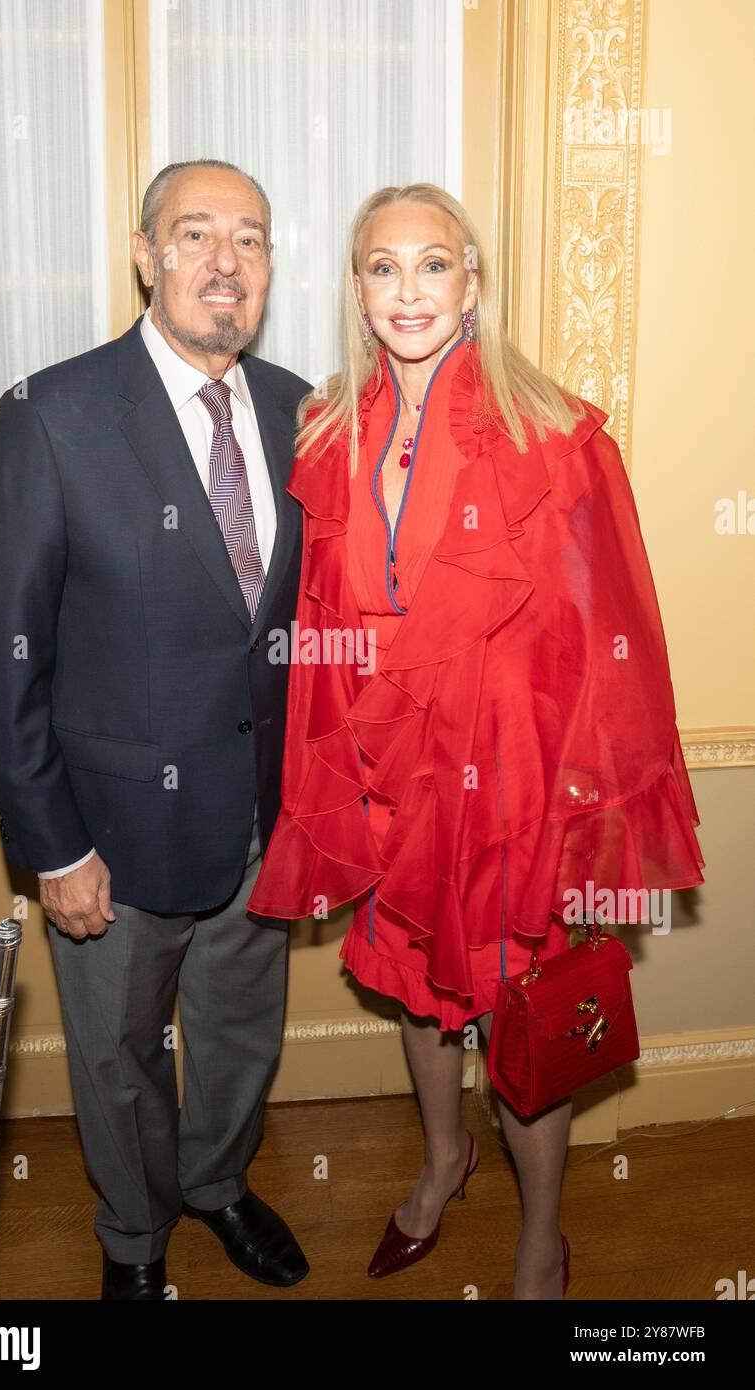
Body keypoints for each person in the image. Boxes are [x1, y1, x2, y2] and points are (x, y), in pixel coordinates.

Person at [247, 182, 705, 1298]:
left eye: (432, 264)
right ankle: (443, 1159)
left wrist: (587, 819)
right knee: (417, 990)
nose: (407, 289)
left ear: (472, 283)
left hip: (511, 787)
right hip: (392, 776)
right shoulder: (322, 432)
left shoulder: (554, 436)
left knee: (520, 1009)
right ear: (356, 291)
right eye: (381, 266)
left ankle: (539, 1237)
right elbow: (317, 628)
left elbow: (616, 642)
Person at [0, 159, 311, 1298]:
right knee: (115, 1058)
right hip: (109, 835)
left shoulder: (300, 412)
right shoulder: (50, 414)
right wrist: (53, 845)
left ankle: (214, 1186)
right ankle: (133, 1242)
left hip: (263, 823)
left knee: (239, 1036)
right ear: (145, 253)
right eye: (196, 234)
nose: (225, 261)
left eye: (249, 240)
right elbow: (4, 650)